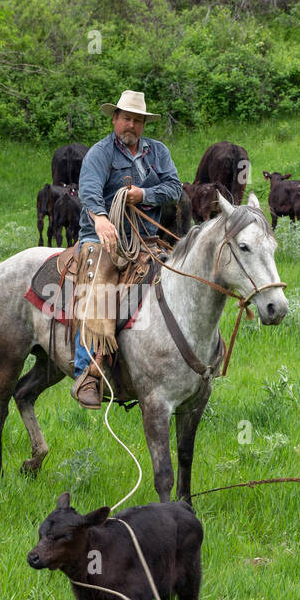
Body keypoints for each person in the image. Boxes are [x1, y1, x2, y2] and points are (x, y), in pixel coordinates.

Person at [71, 90, 182, 409]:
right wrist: (103, 221)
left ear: (144, 124)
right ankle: (87, 373)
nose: (131, 125)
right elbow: (89, 193)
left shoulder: (158, 152)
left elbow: (174, 188)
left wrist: (141, 194)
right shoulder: (100, 153)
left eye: (137, 120)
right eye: (126, 119)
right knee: (99, 288)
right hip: (101, 236)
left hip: (147, 239)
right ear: (115, 119)